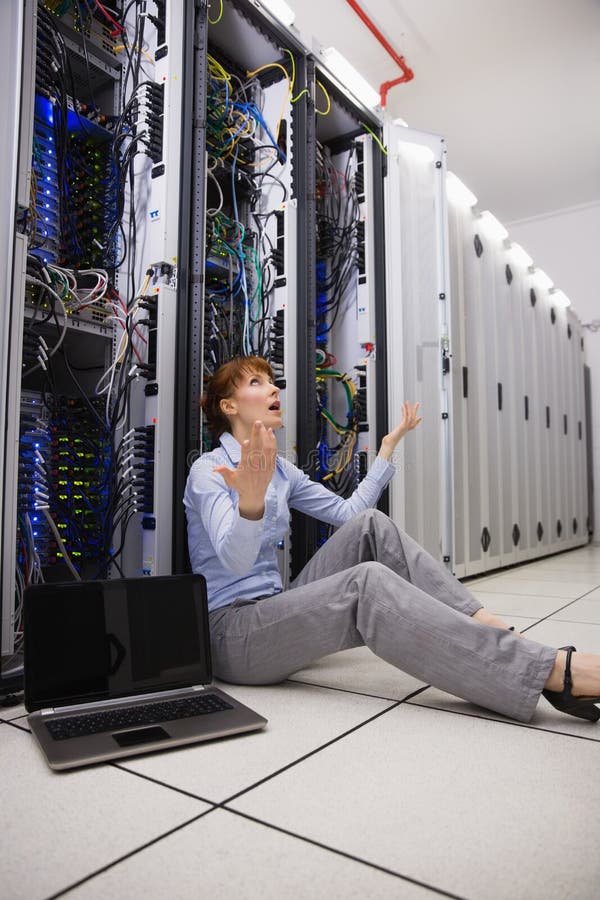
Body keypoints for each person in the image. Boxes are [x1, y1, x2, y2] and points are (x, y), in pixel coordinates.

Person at [184, 355, 600, 724]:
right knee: (366, 584)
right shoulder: (208, 471)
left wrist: (387, 450)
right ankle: (550, 673)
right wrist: (250, 502)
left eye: (271, 379)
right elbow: (234, 563)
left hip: (274, 609)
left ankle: (489, 626)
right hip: (232, 635)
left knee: (371, 525)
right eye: (256, 382)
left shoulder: (282, 471)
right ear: (229, 406)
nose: (274, 387)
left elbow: (348, 515)